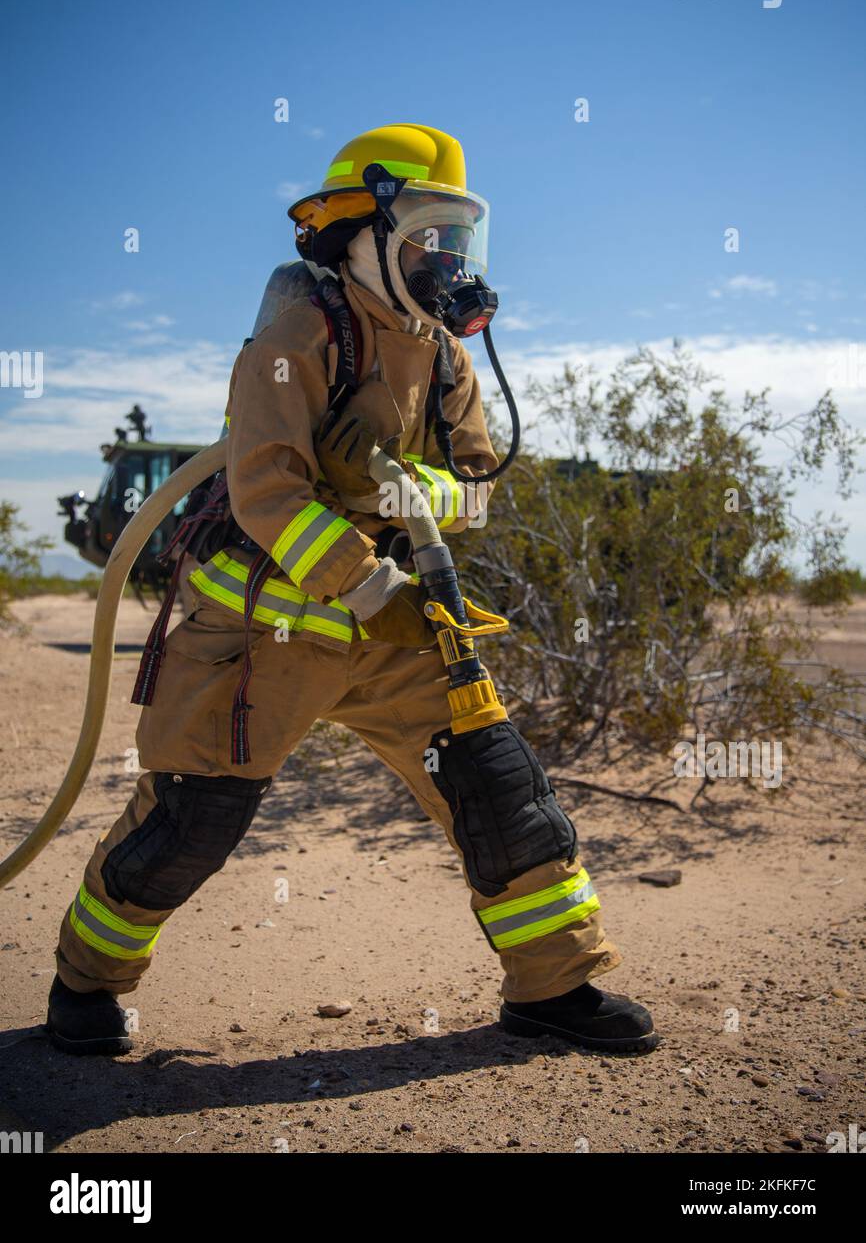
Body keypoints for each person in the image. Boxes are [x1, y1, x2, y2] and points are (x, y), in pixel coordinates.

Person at [46, 124, 658, 1056]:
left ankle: (554, 985)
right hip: (258, 634)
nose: (447, 258)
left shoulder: (445, 351)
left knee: (500, 794)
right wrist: (372, 584)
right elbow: (265, 489)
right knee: (188, 825)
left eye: (459, 236)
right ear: (363, 230)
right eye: (427, 231)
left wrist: (400, 491)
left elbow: (482, 486)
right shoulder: (302, 325)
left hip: (395, 632)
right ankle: (83, 987)